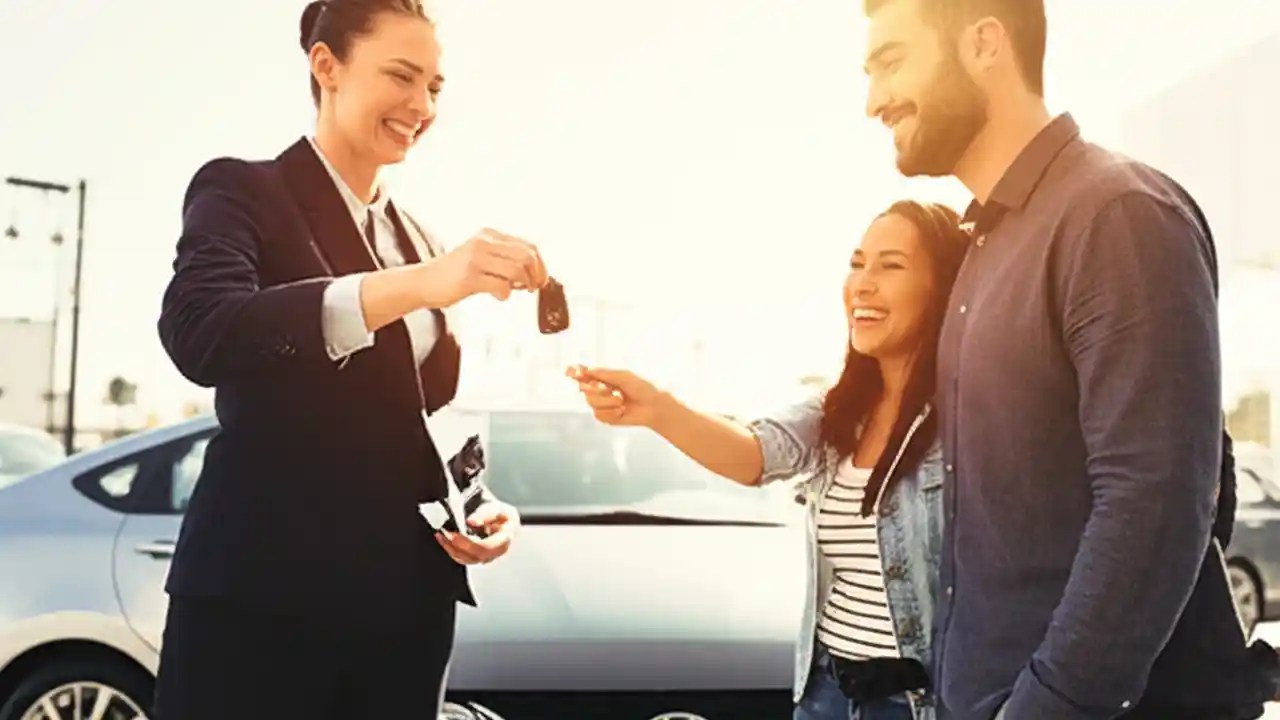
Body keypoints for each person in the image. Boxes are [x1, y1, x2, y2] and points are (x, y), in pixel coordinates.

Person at [860, 0, 1279, 717]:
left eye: (891, 62)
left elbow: (1159, 502)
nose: (873, 101)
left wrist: (1044, 705)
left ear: (984, 45)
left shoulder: (1117, 216)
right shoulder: (987, 246)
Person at [153, 1, 546, 717]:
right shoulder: (243, 190)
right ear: (326, 66)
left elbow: (421, 415)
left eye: (434, 86)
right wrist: (418, 286)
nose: (422, 105)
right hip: (261, 614)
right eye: (401, 75)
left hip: (404, 620)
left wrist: (479, 504)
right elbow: (201, 331)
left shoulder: (421, 239)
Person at [571, 200, 970, 720]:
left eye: (890, 265)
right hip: (826, 694)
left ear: (945, 286)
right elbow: (754, 454)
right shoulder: (839, 410)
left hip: (919, 704)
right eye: (857, 264)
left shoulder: (972, 418)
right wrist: (656, 410)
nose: (863, 284)